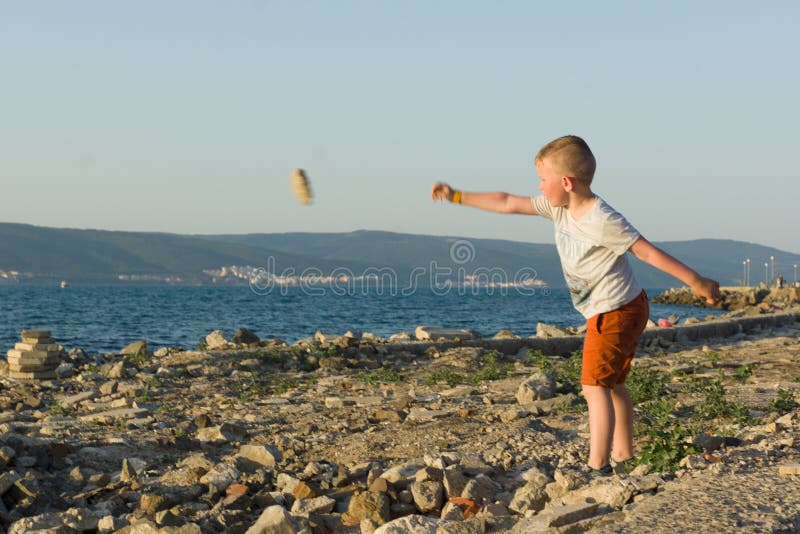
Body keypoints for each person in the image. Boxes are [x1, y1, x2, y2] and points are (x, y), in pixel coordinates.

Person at [430, 135, 721, 476]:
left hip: (615, 311)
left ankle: (598, 465)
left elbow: (645, 251)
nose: (538, 187)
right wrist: (457, 196)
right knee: (612, 385)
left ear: (566, 182)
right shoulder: (559, 207)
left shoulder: (602, 218)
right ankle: (625, 455)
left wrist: (695, 281)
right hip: (623, 306)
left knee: (593, 387)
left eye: (542, 179)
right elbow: (507, 202)